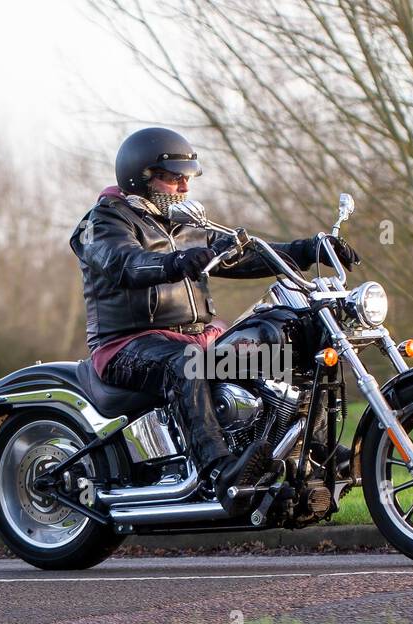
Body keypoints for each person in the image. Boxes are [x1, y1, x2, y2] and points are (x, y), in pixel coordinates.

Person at [69, 127, 360, 514]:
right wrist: (176, 262)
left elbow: (238, 257)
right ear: (140, 176)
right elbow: (123, 263)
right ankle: (221, 472)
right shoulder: (102, 222)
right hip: (128, 344)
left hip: (197, 337)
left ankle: (315, 450)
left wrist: (308, 250)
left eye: (188, 178)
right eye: (174, 178)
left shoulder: (182, 222)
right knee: (188, 366)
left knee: (283, 346)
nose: (184, 186)